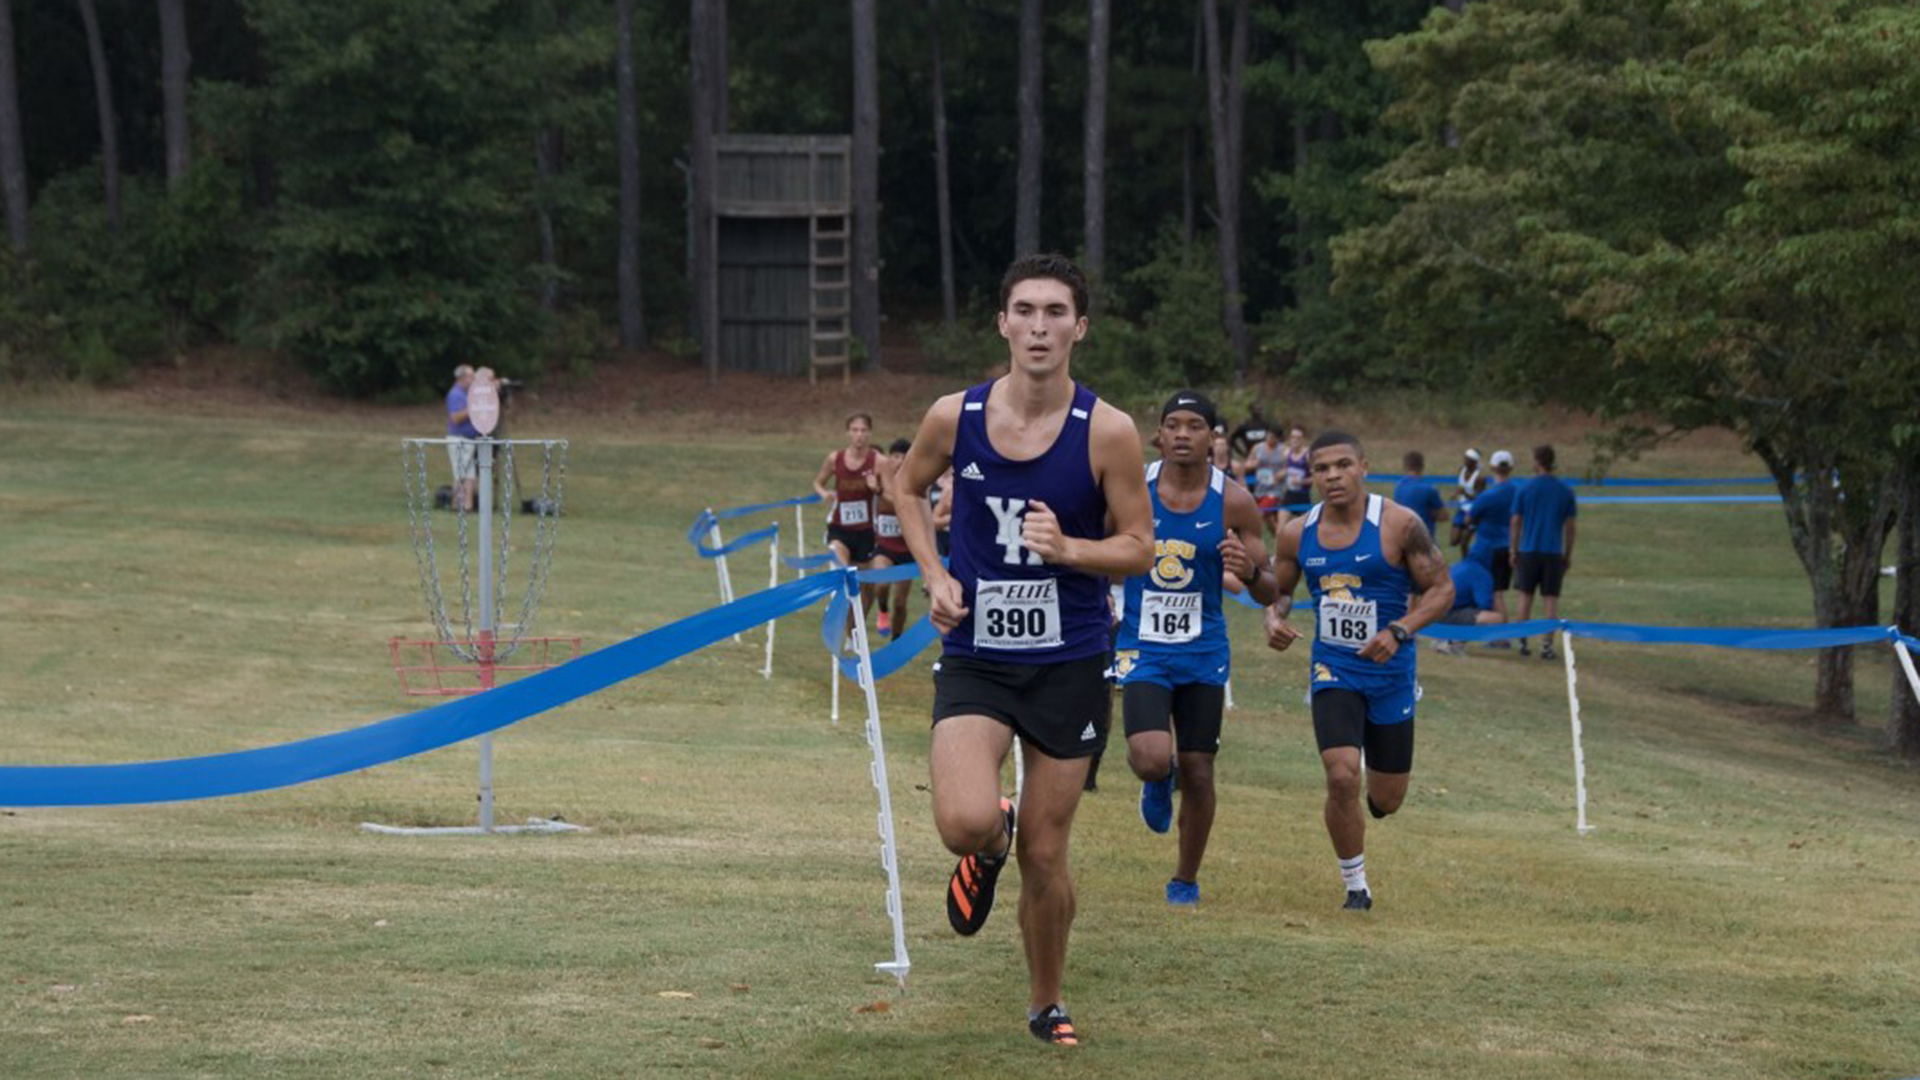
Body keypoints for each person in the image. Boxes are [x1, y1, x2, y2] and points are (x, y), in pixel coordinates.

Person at [891, 253, 1153, 1047]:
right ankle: (991, 836)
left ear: (1080, 327)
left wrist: (1070, 548)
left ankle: (1046, 1002)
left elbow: (1140, 547)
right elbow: (906, 489)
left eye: (1056, 313)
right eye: (1026, 311)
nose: (1040, 327)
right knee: (965, 822)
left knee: (1049, 851)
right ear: (1003, 323)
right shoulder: (954, 416)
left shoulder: (1108, 431)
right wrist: (933, 573)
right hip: (976, 648)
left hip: (1069, 659)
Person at [1263, 431, 1453, 912]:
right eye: (1322, 468)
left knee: (1386, 799)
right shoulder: (1296, 532)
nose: (1332, 476)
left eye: (1342, 465)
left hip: (1391, 676)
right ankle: (1356, 886)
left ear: (1363, 466)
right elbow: (1280, 591)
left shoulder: (1400, 525)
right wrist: (1274, 617)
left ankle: (1374, 806)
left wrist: (1400, 630)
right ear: (1311, 476)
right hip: (1334, 670)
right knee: (1342, 775)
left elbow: (1442, 590)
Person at [1113, 391, 1277, 907]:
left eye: (1195, 426)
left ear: (1213, 437)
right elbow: (1095, 546)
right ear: (1159, 434)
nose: (1183, 434)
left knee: (1201, 769)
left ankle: (1185, 877)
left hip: (1203, 651)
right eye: (1173, 425)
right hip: (1143, 644)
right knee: (1148, 757)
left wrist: (1250, 571)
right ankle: (1159, 779)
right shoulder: (1131, 489)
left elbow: (1270, 588)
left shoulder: (1234, 501)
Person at [813, 413, 882, 636]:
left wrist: (877, 488)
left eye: (863, 430)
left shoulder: (878, 461)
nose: (859, 435)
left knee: (866, 590)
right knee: (843, 571)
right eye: (854, 430)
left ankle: (852, 630)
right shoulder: (835, 459)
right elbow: (818, 481)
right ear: (848, 433)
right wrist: (824, 493)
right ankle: (833, 605)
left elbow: (892, 492)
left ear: (869, 433)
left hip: (866, 533)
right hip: (840, 529)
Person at [1509, 443, 1578, 660]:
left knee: (1525, 598)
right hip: (1552, 551)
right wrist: (1567, 553)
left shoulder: (1525, 488)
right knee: (1550, 600)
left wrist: (1513, 549)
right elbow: (1570, 526)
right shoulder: (1565, 490)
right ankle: (1547, 646)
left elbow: (1516, 521)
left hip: (1529, 550)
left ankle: (1522, 641)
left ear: (1536, 462)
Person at [871, 438, 920, 641]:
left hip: (906, 549)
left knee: (900, 603)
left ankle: (895, 642)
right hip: (884, 545)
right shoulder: (880, 478)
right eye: (896, 456)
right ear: (889, 458)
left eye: (904, 456)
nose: (899, 461)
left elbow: (901, 501)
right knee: (881, 584)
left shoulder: (914, 480)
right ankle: (882, 610)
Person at [1463, 450, 1518, 622]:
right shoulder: (1518, 492)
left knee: (1494, 593)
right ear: (1511, 468)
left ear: (1493, 467)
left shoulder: (1487, 496)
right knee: (1499, 592)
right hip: (1509, 547)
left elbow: (1468, 519)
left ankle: (1500, 635)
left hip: (1488, 549)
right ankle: (1502, 634)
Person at [1432, 557, 1506, 654]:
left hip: (1434, 613)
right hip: (1445, 614)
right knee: (1496, 618)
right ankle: (1450, 643)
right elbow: (1484, 604)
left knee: (1468, 614)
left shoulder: (1458, 566)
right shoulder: (1480, 573)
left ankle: (1444, 638)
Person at [445, 364, 481, 512]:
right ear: (462, 377)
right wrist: (474, 407)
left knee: (469, 474)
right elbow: (456, 417)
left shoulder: (466, 394)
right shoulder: (456, 394)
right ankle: (456, 504)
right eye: (471, 376)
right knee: (460, 473)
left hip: (469, 439)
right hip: (459, 439)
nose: (474, 379)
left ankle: (467, 505)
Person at [1242, 428, 1287, 543]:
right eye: (1268, 436)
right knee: (1269, 520)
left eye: (1272, 437)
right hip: (1260, 488)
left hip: (1276, 490)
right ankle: (1280, 541)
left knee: (1259, 514)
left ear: (1277, 439)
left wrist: (1283, 473)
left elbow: (1289, 467)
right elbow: (1246, 465)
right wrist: (1253, 464)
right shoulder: (1258, 448)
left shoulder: (1284, 450)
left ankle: (1252, 542)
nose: (1269, 439)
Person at [1392, 451, 1446, 537]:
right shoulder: (1429, 488)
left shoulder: (1398, 487)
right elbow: (1443, 516)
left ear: (1405, 466)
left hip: (1403, 537)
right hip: (1425, 539)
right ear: (1422, 466)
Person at [1276, 425, 1314, 531]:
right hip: (1289, 495)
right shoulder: (1286, 453)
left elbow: (1315, 478)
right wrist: (1280, 475)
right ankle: (1279, 547)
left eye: (1298, 438)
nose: (1295, 440)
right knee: (1280, 529)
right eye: (1293, 437)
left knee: (1306, 530)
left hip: (1303, 497)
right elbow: (1284, 470)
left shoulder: (1308, 456)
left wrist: (1302, 481)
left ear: (1303, 439)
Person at [1448, 449, 1483, 555]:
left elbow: (1480, 498)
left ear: (1474, 462)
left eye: (1468, 460)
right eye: (1465, 458)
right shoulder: (1462, 470)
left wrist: (1465, 494)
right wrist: (1455, 494)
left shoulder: (1480, 478)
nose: (1465, 461)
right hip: (1462, 509)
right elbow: (1461, 486)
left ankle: (1467, 564)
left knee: (1464, 543)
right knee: (1453, 541)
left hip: (1473, 511)